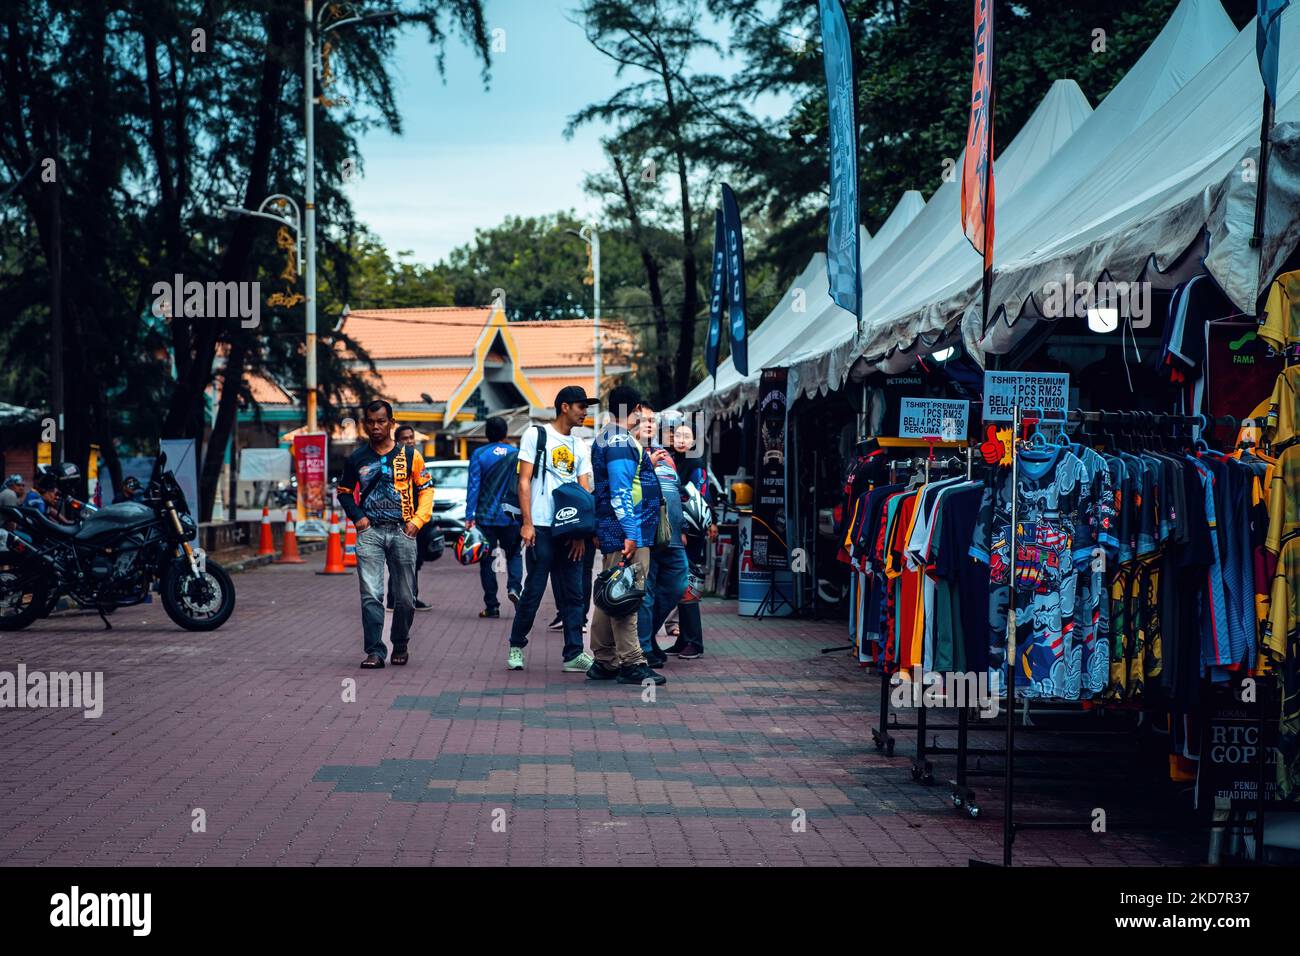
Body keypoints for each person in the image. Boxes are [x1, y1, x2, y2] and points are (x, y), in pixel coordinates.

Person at [336, 400, 434, 669]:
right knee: (371, 594)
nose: (376, 426)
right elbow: (344, 493)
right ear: (365, 424)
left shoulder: (410, 456)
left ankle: (400, 642)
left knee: (405, 598)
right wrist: (359, 519)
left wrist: (417, 521)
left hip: (404, 531)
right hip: (371, 534)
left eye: (381, 421)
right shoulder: (357, 458)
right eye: (371, 421)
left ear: (392, 423)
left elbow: (426, 489)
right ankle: (375, 651)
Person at [508, 386, 596, 673]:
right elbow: (524, 481)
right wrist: (527, 522)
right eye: (581, 406)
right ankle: (516, 646)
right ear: (565, 407)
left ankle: (573, 654)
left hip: (568, 530)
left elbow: (584, 490)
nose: (585, 412)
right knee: (533, 589)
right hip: (541, 528)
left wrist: (581, 533)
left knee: (573, 594)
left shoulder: (580, 445)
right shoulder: (537, 435)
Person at [587, 385, 665, 687]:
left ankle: (605, 660)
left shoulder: (608, 437)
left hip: (618, 531)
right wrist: (631, 534)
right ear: (632, 410)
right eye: (639, 412)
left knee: (611, 594)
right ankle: (632, 662)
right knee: (626, 596)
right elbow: (621, 492)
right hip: (629, 533)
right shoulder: (619, 441)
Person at [635, 405, 689, 669]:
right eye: (644, 420)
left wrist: (683, 528)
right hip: (648, 534)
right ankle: (644, 646)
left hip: (674, 536)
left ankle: (648, 636)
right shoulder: (629, 452)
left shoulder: (665, 453)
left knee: (679, 584)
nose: (649, 424)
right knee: (646, 591)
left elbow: (674, 493)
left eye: (652, 420)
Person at [465, 416, 523, 618]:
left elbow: (474, 487)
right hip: (511, 516)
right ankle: (514, 588)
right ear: (506, 433)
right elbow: (522, 484)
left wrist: (468, 515)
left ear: (486, 434)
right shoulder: (517, 454)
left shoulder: (479, 454)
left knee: (486, 559)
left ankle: (492, 606)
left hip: (485, 517)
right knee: (514, 554)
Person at [668, 422, 716, 659]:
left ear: (695, 441)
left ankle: (694, 642)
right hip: (677, 530)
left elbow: (698, 500)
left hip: (690, 533)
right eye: (678, 435)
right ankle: (682, 639)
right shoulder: (673, 461)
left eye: (687, 436)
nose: (682, 439)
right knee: (680, 584)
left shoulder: (695, 465)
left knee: (688, 583)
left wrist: (685, 531)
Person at [388, 425, 433, 611]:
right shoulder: (395, 463)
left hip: (416, 520)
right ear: (397, 442)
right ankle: (394, 599)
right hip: (399, 520)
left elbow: (426, 488)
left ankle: (412, 597)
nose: (410, 441)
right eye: (405, 438)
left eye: (411, 437)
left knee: (414, 561)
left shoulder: (416, 460)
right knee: (398, 562)